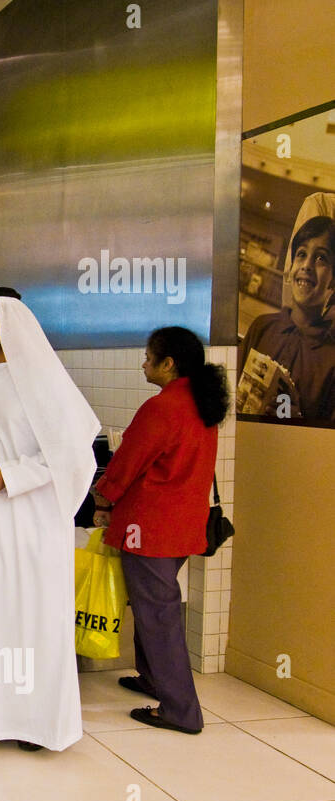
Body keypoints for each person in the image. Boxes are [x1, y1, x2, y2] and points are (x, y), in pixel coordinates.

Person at [0, 287, 99, 752]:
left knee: (29, 618)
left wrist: (11, 475)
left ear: (11, 321)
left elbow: (72, 456)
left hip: (30, 521)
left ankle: (36, 723)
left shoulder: (43, 378)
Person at [92, 327, 228, 735]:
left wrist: (103, 500)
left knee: (158, 614)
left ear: (169, 364)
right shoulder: (201, 404)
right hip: (183, 524)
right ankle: (152, 679)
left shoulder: (162, 407)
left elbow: (128, 461)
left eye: (149, 357)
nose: (143, 363)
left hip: (149, 526)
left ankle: (180, 710)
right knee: (154, 607)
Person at [236, 215, 335, 421]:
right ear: (290, 269)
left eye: (321, 258)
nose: (307, 265)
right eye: (301, 254)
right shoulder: (262, 327)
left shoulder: (330, 358)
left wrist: (297, 423)